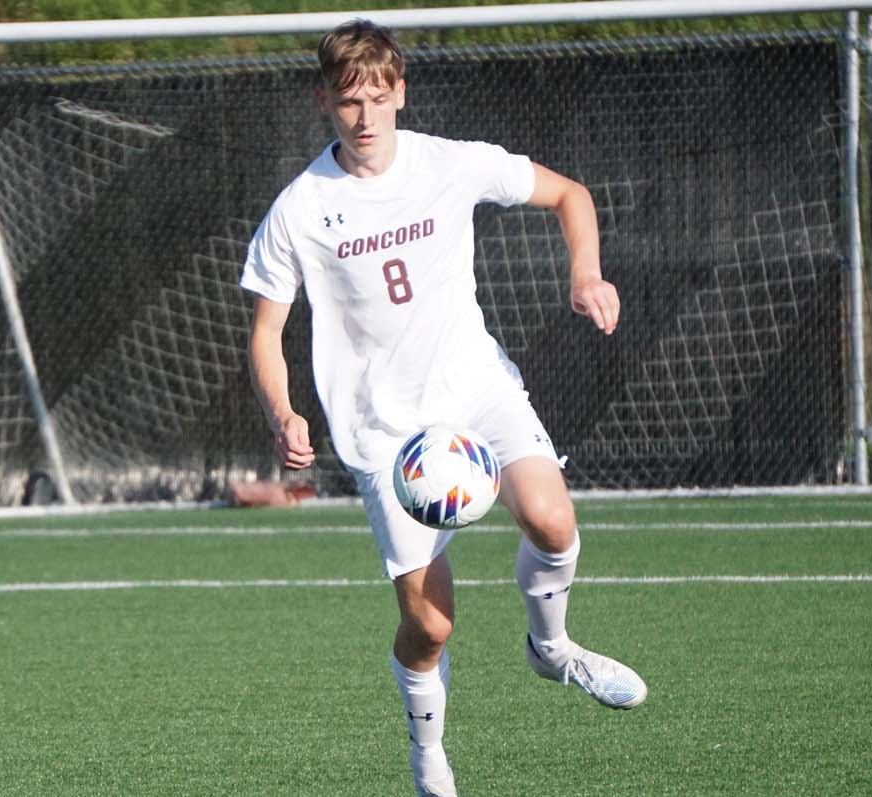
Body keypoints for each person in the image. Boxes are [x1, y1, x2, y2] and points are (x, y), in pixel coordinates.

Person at [241, 20, 645, 796]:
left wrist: (586, 272)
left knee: (553, 522)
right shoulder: (299, 209)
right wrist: (283, 413)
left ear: (400, 93)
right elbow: (266, 332)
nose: (365, 117)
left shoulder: (448, 164)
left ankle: (552, 647)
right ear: (324, 99)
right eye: (349, 100)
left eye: (378, 97)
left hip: (474, 387)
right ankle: (428, 757)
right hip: (386, 432)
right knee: (430, 626)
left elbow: (569, 193)